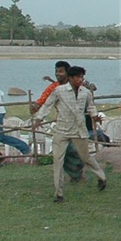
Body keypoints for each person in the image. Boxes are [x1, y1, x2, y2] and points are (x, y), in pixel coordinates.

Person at [35, 65, 107, 201]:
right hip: (61, 130)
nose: (80, 80)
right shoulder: (59, 91)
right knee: (58, 161)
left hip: (79, 130)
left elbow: (91, 106)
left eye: (82, 77)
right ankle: (58, 193)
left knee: (86, 158)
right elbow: (47, 105)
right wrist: (39, 119)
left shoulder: (85, 92)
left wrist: (95, 116)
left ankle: (101, 177)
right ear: (70, 78)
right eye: (77, 77)